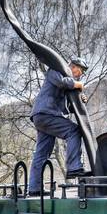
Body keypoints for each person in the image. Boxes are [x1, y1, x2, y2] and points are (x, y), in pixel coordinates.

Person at [28, 57, 88, 195]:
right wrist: (77, 84)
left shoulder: (66, 82)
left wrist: (81, 100)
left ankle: (34, 188)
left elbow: (67, 107)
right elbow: (62, 82)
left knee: (42, 153)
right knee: (73, 131)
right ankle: (74, 167)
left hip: (45, 116)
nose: (81, 74)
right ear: (73, 67)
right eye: (81, 70)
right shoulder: (55, 71)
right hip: (46, 114)